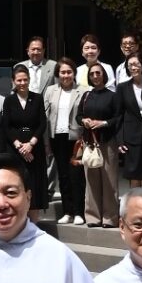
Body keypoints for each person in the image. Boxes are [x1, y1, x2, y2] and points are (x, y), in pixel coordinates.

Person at [0, 61, 51, 213]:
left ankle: (34, 224)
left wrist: (31, 144)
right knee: (17, 183)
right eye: (19, 80)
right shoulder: (9, 100)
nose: (22, 83)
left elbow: (42, 123)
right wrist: (19, 146)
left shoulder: (37, 98)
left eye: (25, 80)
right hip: (15, 150)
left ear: (29, 80)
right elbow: (6, 126)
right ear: (13, 81)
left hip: (34, 149)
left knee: (34, 185)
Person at [78, 56, 121, 226]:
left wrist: (102, 123)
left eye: (98, 73)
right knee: (91, 180)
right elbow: (78, 115)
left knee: (109, 180)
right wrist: (84, 121)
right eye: (93, 74)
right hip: (89, 142)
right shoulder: (87, 95)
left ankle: (110, 217)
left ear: (104, 75)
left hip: (107, 141)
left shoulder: (113, 96)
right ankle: (93, 217)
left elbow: (118, 118)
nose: (96, 76)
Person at [114, 50, 142, 214]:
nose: (133, 67)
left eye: (136, 63)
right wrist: (120, 140)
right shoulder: (123, 87)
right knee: (134, 174)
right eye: (130, 65)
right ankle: (135, 208)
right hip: (131, 135)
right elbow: (119, 115)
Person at [45, 57, 85, 221]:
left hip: (75, 138)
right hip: (57, 137)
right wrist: (46, 142)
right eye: (62, 72)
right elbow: (45, 116)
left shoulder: (82, 90)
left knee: (76, 176)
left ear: (74, 73)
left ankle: (78, 212)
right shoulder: (50, 91)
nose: (66, 75)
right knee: (62, 176)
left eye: (69, 72)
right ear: (57, 74)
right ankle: (67, 212)